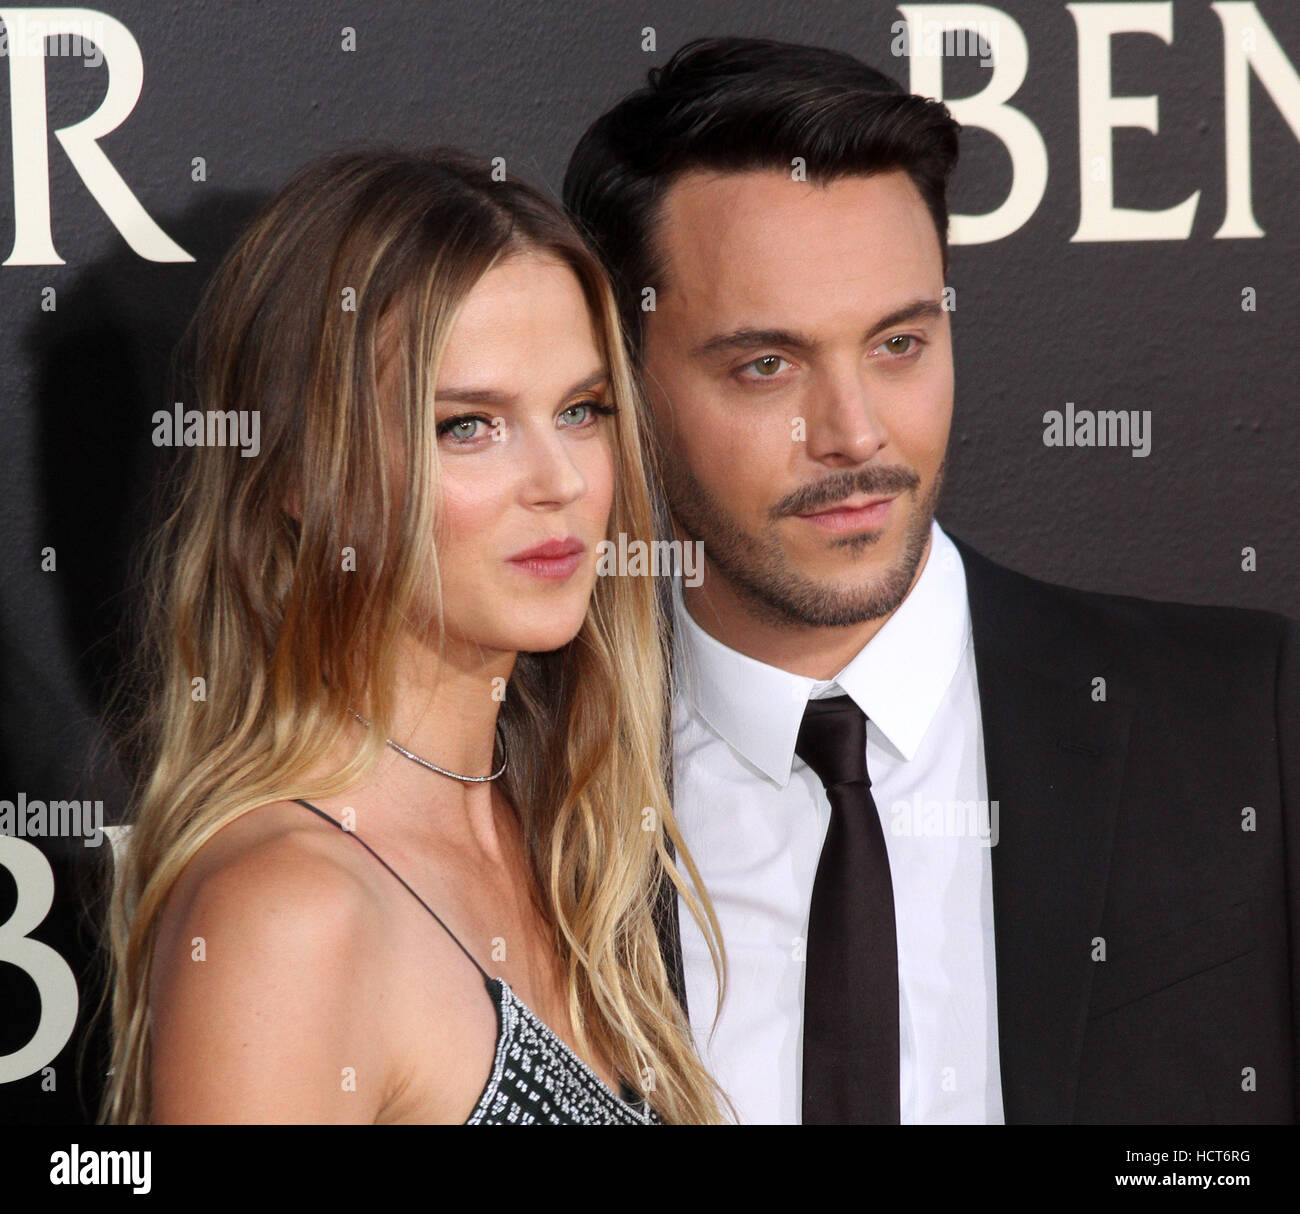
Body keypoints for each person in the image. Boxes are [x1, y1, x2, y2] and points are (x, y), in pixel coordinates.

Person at [563, 36, 1299, 1124]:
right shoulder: (526, 777)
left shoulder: (1242, 720)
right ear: (624, 381)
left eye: (898, 344)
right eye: (766, 365)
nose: (853, 432)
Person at [99, 147, 727, 1125]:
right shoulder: (290, 916)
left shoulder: (566, 836)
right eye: (467, 425)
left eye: (581, 410)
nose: (560, 480)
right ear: (300, 473)